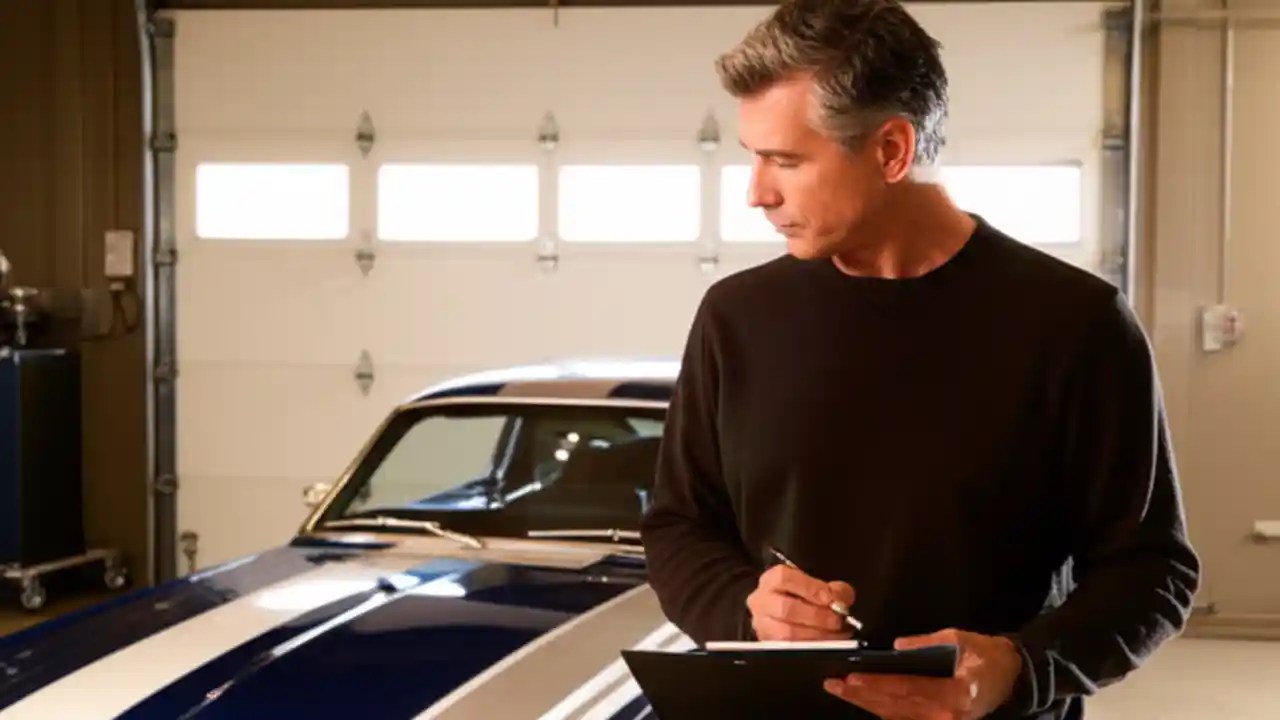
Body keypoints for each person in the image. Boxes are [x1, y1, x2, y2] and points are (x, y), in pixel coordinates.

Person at [637, 1, 1201, 718]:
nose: (757, 193)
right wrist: (747, 607)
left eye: (785, 160)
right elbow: (680, 526)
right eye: (754, 157)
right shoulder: (737, 317)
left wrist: (1023, 668)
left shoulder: (1076, 325)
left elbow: (1152, 571)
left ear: (892, 151)